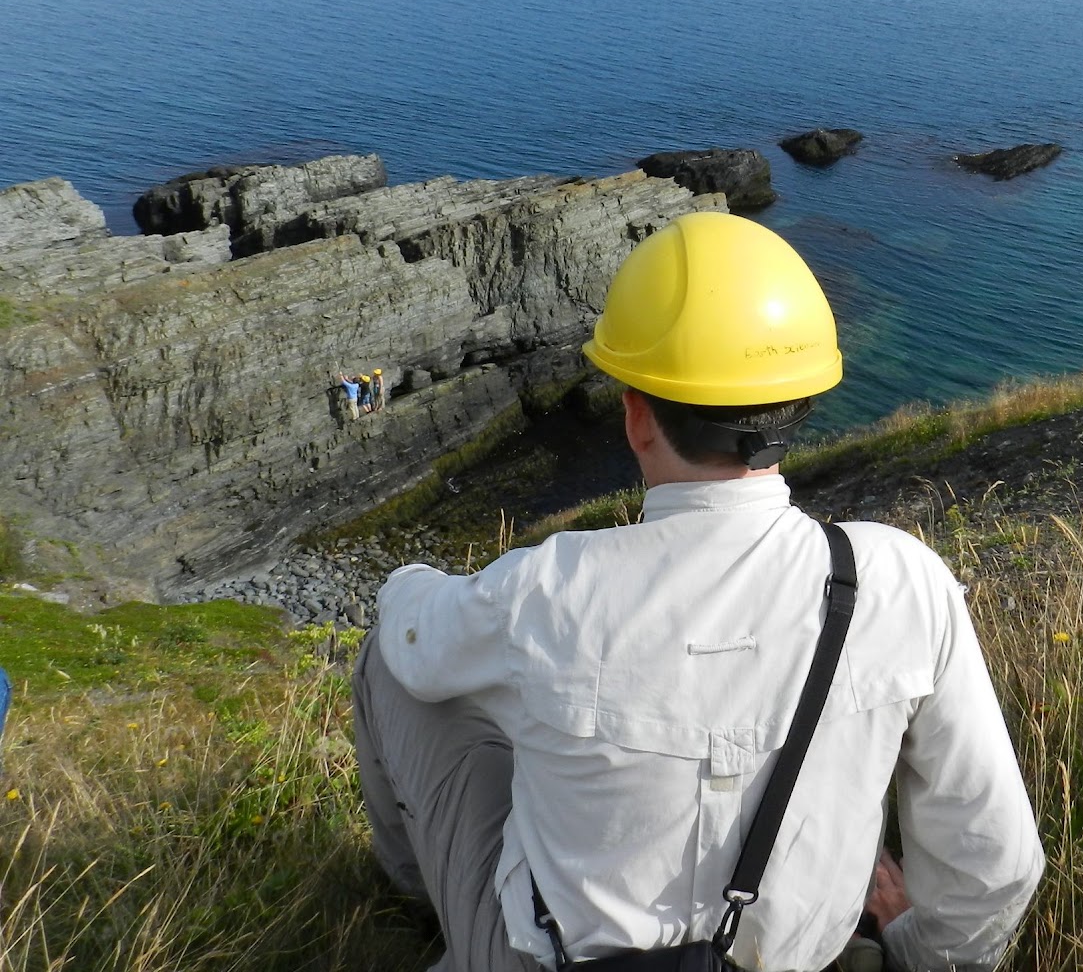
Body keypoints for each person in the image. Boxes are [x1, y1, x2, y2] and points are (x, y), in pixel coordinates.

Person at [353, 211, 1043, 972]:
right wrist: (909, 949)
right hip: (800, 960)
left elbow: (415, 644)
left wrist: (408, 582)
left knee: (391, 662)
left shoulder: (547, 587)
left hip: (549, 960)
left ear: (637, 417)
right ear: (799, 406)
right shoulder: (898, 580)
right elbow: (997, 867)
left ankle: (416, 896)